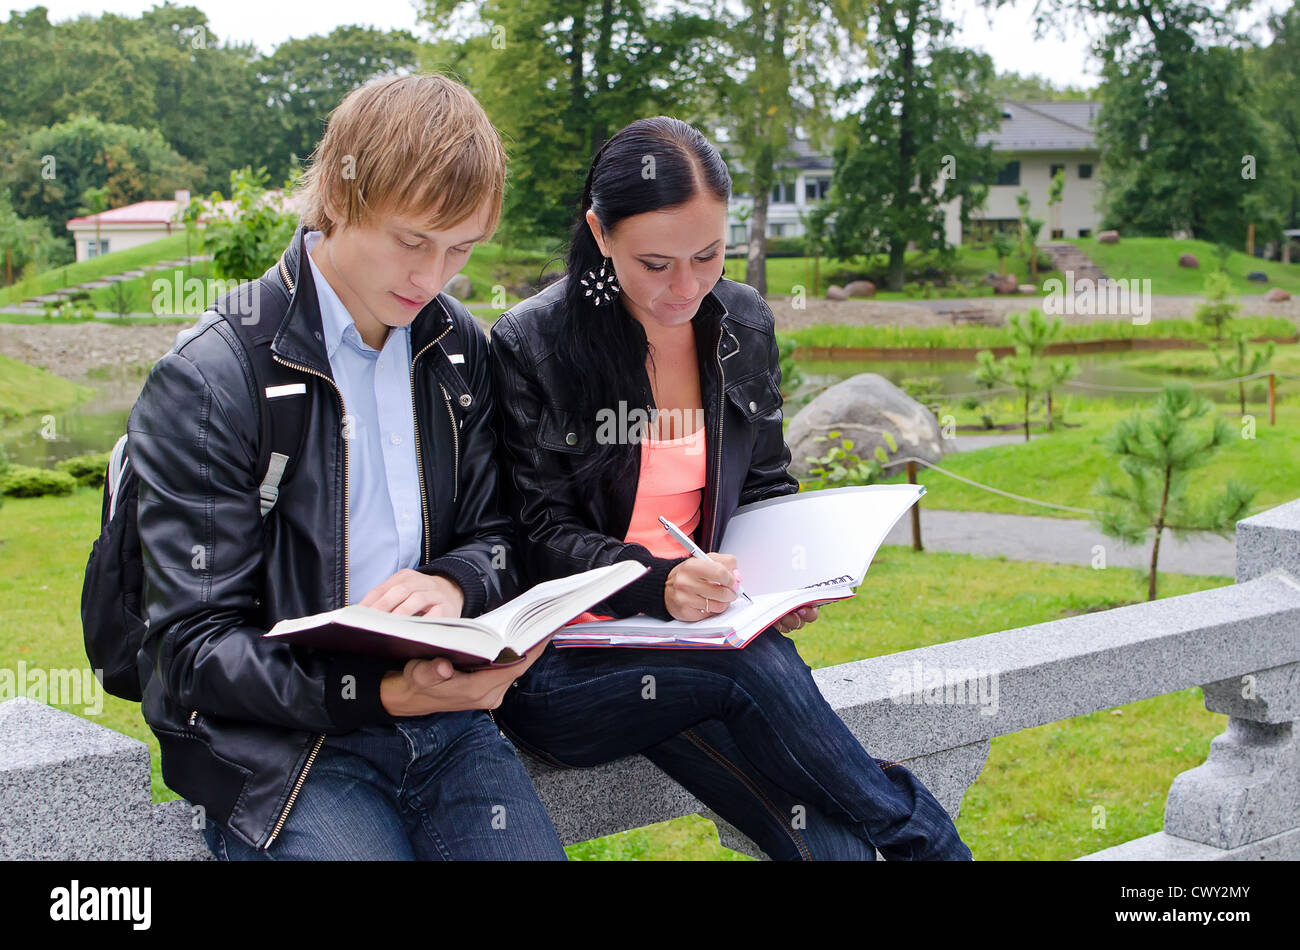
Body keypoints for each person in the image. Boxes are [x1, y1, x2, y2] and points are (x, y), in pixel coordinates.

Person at [488, 116, 972, 860]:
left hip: (704, 643)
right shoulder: (533, 344)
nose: (685, 288)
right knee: (748, 663)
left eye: (707, 255)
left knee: (830, 851)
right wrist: (660, 585)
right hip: (564, 667)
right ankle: (925, 840)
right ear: (600, 232)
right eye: (655, 264)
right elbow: (539, 535)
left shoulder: (740, 319)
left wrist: (793, 571)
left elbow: (767, 479)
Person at [128, 74, 565, 860]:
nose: (432, 278)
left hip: (444, 722)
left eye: (459, 250)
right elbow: (190, 651)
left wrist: (456, 583)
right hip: (283, 750)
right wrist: (379, 691)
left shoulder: (457, 347)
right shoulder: (212, 377)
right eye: (412, 241)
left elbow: (502, 534)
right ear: (338, 193)